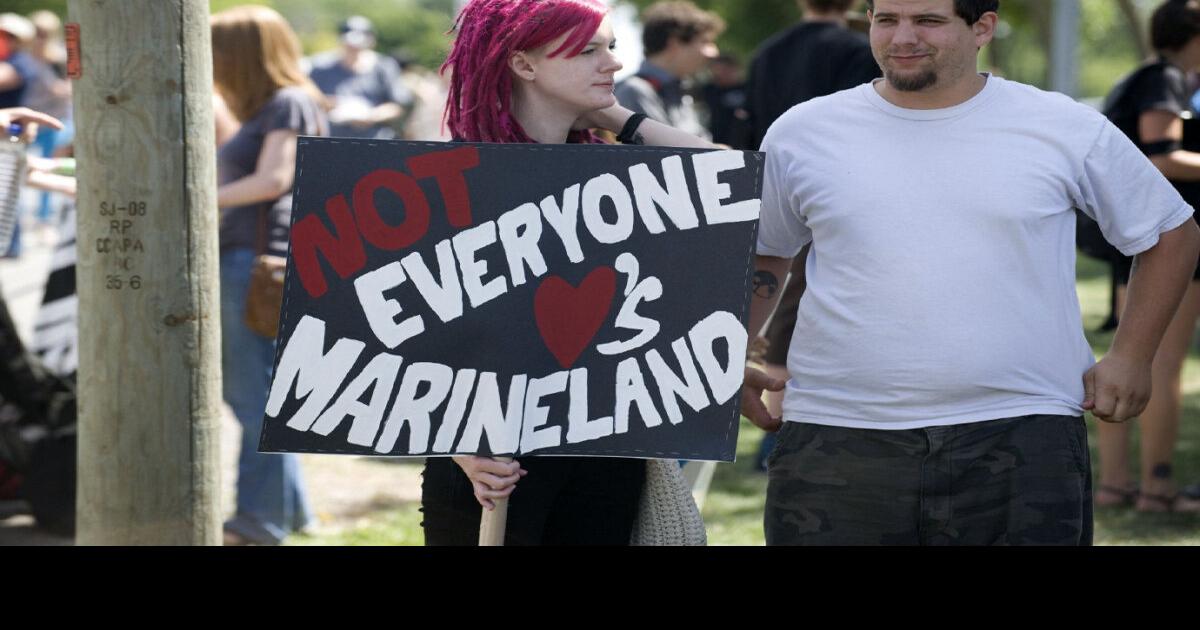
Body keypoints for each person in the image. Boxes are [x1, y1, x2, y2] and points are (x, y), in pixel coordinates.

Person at [741, 0, 1200, 545]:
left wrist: (1132, 356)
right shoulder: (803, 130)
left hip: (1022, 432)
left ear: (982, 27)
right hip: (838, 433)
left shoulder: (1061, 125)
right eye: (885, 20)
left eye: (928, 21)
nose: (902, 38)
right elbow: (767, 250)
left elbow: (1171, 231)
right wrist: (734, 349)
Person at [422, 0, 712, 546]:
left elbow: (720, 175)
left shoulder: (615, 175)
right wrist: (460, 446)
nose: (613, 66)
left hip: (604, 446)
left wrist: (612, 116)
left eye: (611, 47)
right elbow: (407, 333)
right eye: (587, 51)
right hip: (494, 460)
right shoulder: (452, 180)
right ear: (523, 65)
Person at [743, 0, 882, 471]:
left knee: (783, 307)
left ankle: (775, 432)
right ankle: (777, 438)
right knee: (807, 305)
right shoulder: (857, 50)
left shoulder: (766, 53)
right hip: (837, 193)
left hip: (776, 187)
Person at [210, 5, 329, 545]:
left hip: (257, 265)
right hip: (249, 262)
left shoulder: (290, 101)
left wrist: (192, 200)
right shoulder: (272, 105)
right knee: (256, 398)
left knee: (254, 399)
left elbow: (273, 179)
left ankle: (258, 523)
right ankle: (289, 514)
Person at [1094, 0, 1200, 513]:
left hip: (1132, 240)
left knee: (1126, 361)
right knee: (1161, 364)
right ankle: (1156, 489)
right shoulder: (1167, 79)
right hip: (1161, 246)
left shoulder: (1146, 76)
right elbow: (1163, 156)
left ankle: (1116, 486)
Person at [613, 1, 723, 139]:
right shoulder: (634, 92)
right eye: (705, 42)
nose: (713, 52)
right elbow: (664, 155)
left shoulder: (679, 90)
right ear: (674, 43)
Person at [307, 15, 412, 140]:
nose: (354, 49)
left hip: (374, 140)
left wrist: (371, 116)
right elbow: (309, 100)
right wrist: (330, 104)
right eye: (350, 44)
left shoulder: (384, 66)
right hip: (332, 139)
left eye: (359, 45)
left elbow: (398, 105)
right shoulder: (321, 67)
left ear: (371, 42)